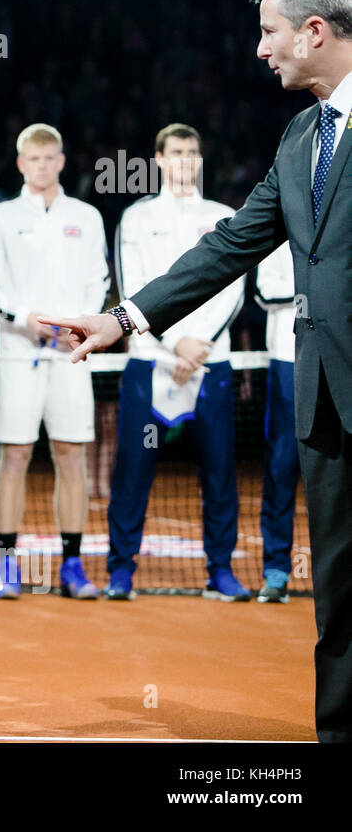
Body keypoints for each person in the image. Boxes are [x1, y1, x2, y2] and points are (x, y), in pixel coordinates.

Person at [45, 0, 352, 742]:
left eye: (269, 32)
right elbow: (231, 245)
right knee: (342, 600)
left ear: (315, 31)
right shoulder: (300, 137)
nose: (259, 49)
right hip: (323, 399)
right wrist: (124, 319)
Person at [99, 123, 247, 601]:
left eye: (193, 152)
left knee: (220, 472)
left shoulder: (225, 215)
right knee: (132, 472)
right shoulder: (136, 218)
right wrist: (175, 342)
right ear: (159, 160)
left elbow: (235, 287)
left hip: (211, 363)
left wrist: (198, 341)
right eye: (177, 152)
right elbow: (133, 284)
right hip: (151, 362)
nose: (186, 160)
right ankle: (121, 571)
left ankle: (220, 571)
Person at [0, 124, 109, 599]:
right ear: (21, 164)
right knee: (13, 455)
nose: (42, 165)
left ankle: (72, 564)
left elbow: (99, 280)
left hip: (73, 353)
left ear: (61, 160)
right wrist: (25, 319)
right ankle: (7, 564)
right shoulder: (1, 217)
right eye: (33, 159)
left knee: (72, 455)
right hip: (18, 353)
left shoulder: (87, 217)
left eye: (49, 158)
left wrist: (80, 324)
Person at [253, 241, 299, 603]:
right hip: (288, 358)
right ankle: (277, 570)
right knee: (282, 466)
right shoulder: (279, 226)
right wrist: (319, 285)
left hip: (342, 354)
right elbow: (264, 291)